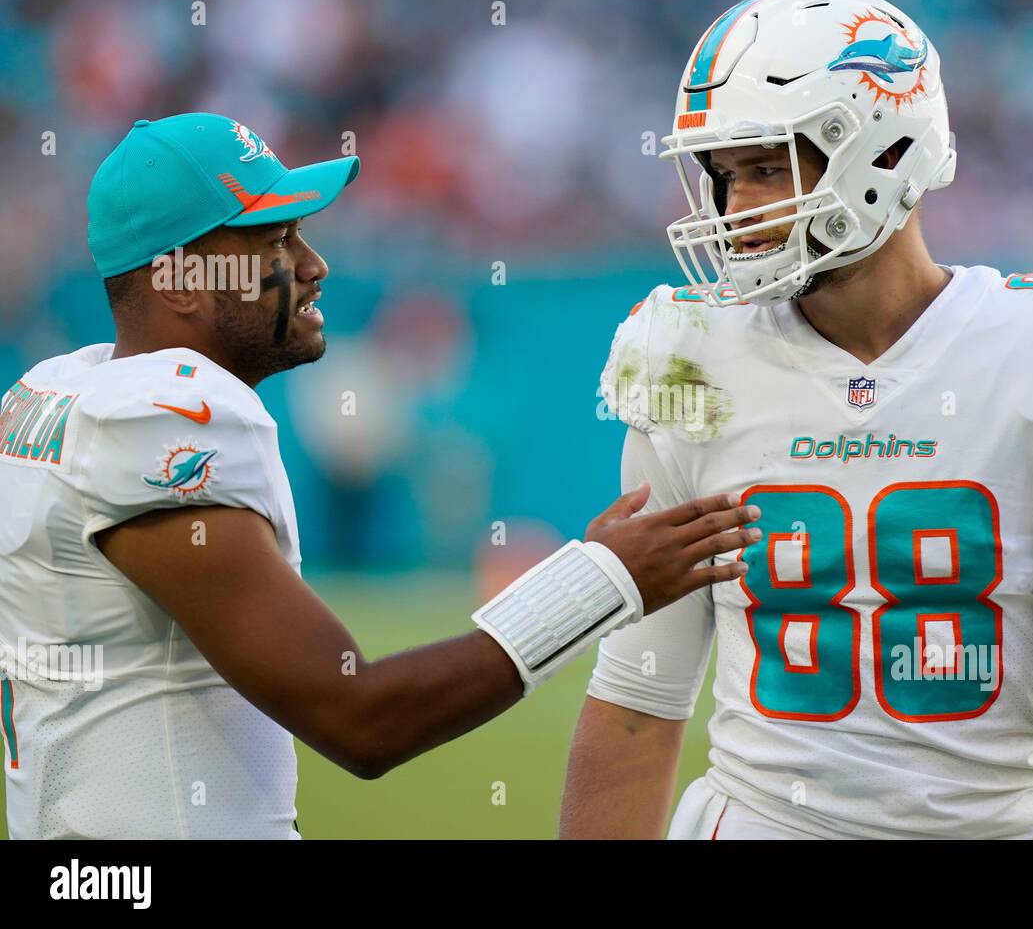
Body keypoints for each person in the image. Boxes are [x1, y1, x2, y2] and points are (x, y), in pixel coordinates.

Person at [0, 113, 760, 838]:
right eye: (275, 241)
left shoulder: (61, 392)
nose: (313, 265)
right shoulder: (159, 420)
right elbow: (360, 717)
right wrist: (604, 582)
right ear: (181, 282)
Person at [560, 0, 1033, 839]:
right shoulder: (691, 364)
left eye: (767, 167)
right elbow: (636, 701)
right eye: (727, 177)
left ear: (885, 152)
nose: (736, 211)